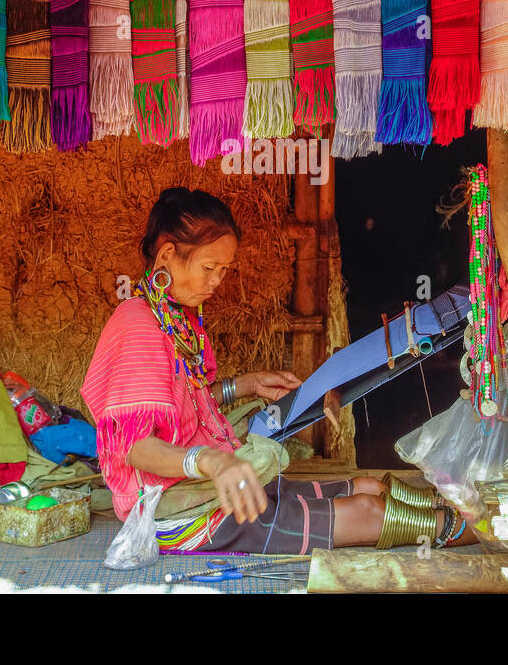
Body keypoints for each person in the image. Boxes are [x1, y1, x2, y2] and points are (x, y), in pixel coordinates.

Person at [81, 186, 475, 553]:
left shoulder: (176, 318)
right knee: (366, 513)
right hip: (176, 513)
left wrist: (244, 385)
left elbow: (181, 405)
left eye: (225, 269)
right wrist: (212, 461)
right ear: (167, 255)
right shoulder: (138, 325)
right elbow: (135, 447)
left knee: (368, 486)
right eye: (209, 267)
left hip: (204, 487)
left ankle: (450, 511)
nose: (218, 280)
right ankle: (465, 528)